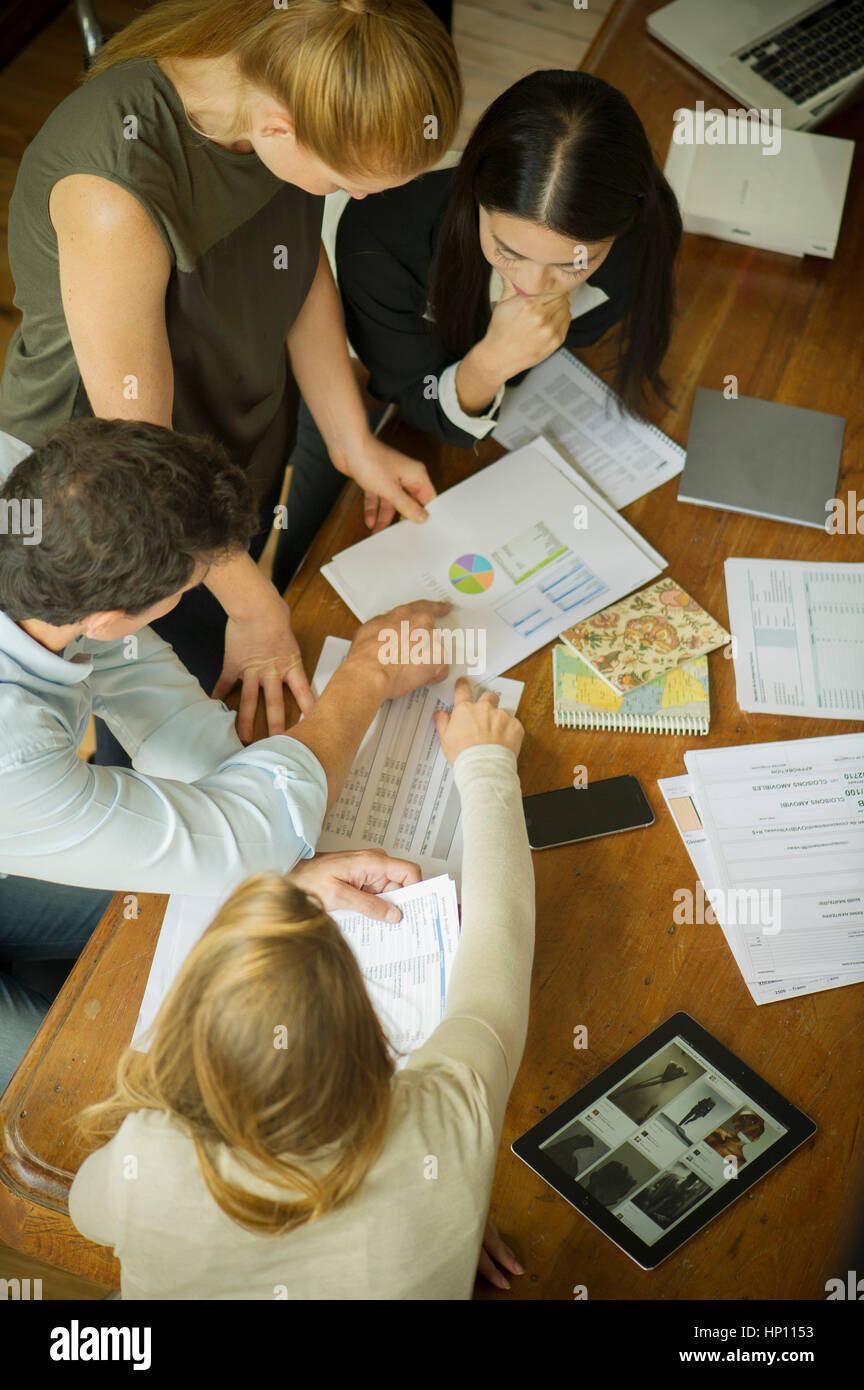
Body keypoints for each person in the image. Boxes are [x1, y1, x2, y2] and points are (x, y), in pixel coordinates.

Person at [0, 0, 462, 762]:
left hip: (218, 447)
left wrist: (350, 441)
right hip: (108, 508)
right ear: (280, 128)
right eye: (351, 181)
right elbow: (145, 473)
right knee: (165, 728)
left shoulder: (291, 87)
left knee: (225, 683)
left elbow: (298, 263)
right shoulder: (114, 190)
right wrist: (255, 605)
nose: (368, 200)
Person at [0, 418, 450, 1091]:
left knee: (187, 915)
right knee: (116, 1090)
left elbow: (120, 663)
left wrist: (264, 835)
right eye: (184, 590)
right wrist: (368, 677)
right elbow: (237, 835)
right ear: (104, 616)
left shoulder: (25, 486)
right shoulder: (16, 758)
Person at [68, 678, 534, 1299]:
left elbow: (84, 1213)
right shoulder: (446, 1121)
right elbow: (502, 933)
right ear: (365, 1030)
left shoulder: (151, 1154)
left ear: (186, 1034)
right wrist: (486, 763)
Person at [272, 68, 682, 590]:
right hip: (346, 379)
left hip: (441, 403)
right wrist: (488, 365)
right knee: (301, 541)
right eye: (508, 250)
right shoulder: (383, 232)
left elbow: (584, 329)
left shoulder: (636, 245)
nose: (534, 285)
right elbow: (406, 393)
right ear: (474, 193)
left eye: (575, 264)